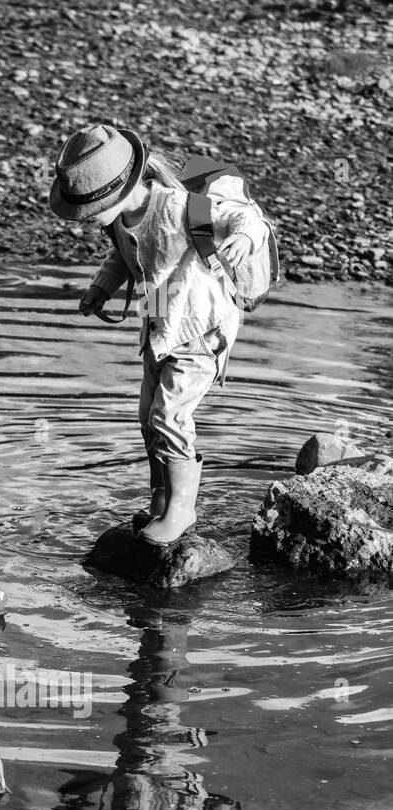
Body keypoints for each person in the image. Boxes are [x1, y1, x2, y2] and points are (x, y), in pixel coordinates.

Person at [48, 125, 269, 544]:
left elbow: (247, 219)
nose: (83, 222)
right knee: (148, 415)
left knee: (169, 415)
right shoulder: (119, 222)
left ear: (115, 192)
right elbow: (122, 256)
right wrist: (101, 288)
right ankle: (161, 500)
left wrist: (242, 237)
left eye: (88, 211)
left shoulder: (179, 208)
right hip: (158, 323)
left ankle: (182, 511)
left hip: (201, 327)